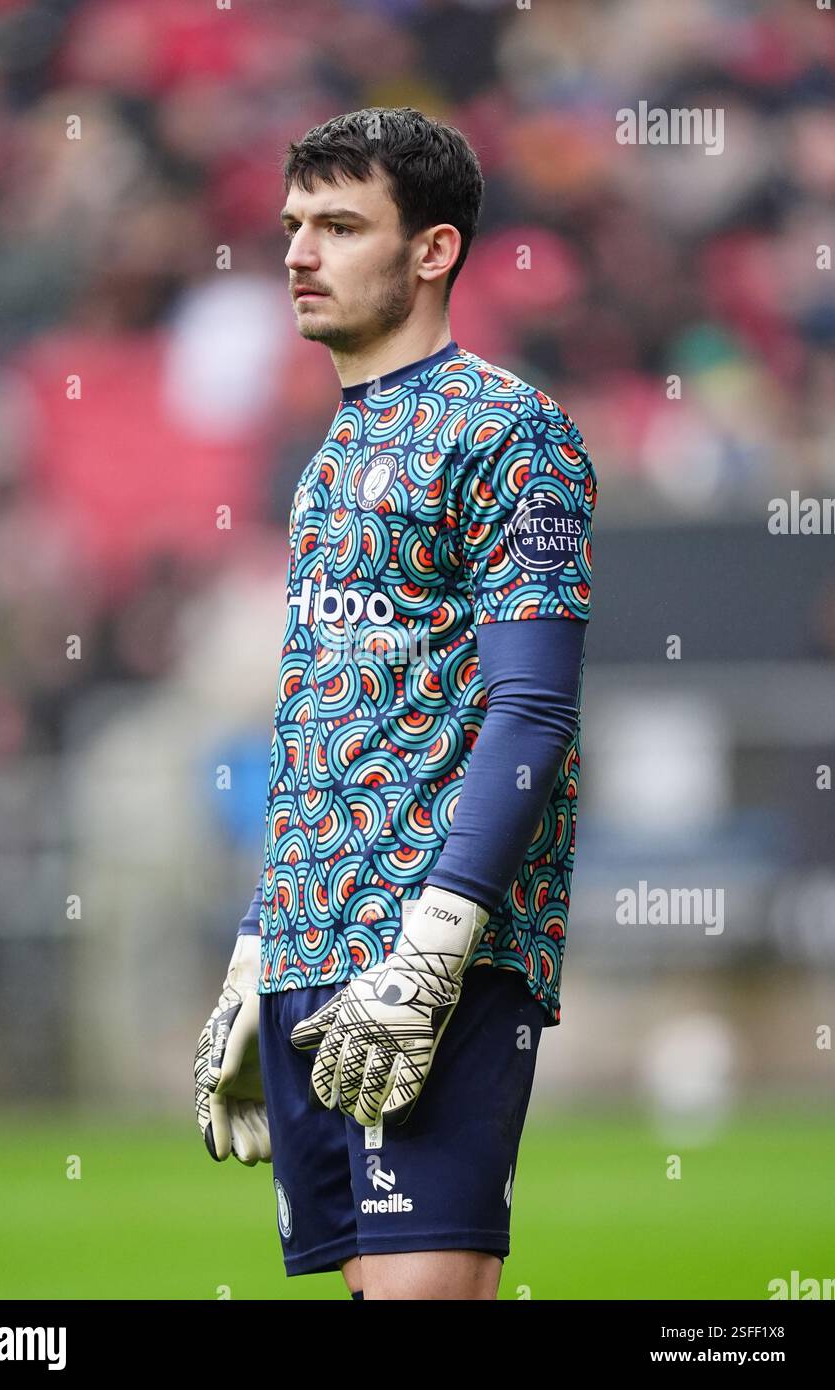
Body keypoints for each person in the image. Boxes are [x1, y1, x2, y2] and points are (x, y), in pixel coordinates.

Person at [194, 106, 597, 1302]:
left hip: (431, 955)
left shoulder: (507, 432)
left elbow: (531, 711)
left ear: (432, 250)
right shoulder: (334, 451)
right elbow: (325, 717)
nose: (297, 254)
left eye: (337, 225)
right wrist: (260, 943)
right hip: (315, 947)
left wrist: (431, 950)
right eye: (290, 226)